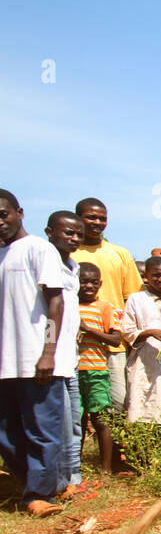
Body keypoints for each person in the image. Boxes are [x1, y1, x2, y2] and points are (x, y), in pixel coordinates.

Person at [0, 191, 73, 516]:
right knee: (7, 432)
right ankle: (43, 482)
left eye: (4, 215)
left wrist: (48, 351)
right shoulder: (3, 255)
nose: (0, 223)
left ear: (20, 212)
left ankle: (39, 496)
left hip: (38, 359)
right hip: (6, 361)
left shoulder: (38, 249)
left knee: (43, 430)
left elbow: (55, 303)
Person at [70, 197, 141, 412]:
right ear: (78, 218)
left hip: (113, 343)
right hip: (76, 343)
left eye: (102, 218)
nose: (97, 222)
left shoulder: (120, 254)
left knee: (116, 404)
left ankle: (113, 447)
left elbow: (132, 298)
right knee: (77, 407)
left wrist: (129, 336)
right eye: (91, 217)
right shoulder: (68, 253)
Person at [46, 212, 88, 498]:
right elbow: (51, 315)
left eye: (78, 235)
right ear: (50, 232)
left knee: (73, 422)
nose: (73, 239)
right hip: (51, 359)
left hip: (69, 359)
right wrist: (48, 351)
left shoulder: (72, 267)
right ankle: (56, 482)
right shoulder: (46, 262)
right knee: (56, 425)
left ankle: (73, 478)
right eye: (67, 233)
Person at [121, 256, 161, 430]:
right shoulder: (136, 299)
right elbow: (127, 332)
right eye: (156, 275)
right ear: (146, 276)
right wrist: (149, 332)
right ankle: (144, 455)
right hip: (143, 363)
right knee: (142, 409)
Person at [76, 262, 121, 476]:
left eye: (93, 282)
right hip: (72, 371)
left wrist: (87, 329)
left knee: (101, 419)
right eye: (83, 281)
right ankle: (73, 466)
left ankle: (105, 469)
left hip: (96, 370)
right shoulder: (67, 305)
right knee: (76, 420)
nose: (88, 286)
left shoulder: (104, 307)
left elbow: (115, 339)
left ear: (100, 283)